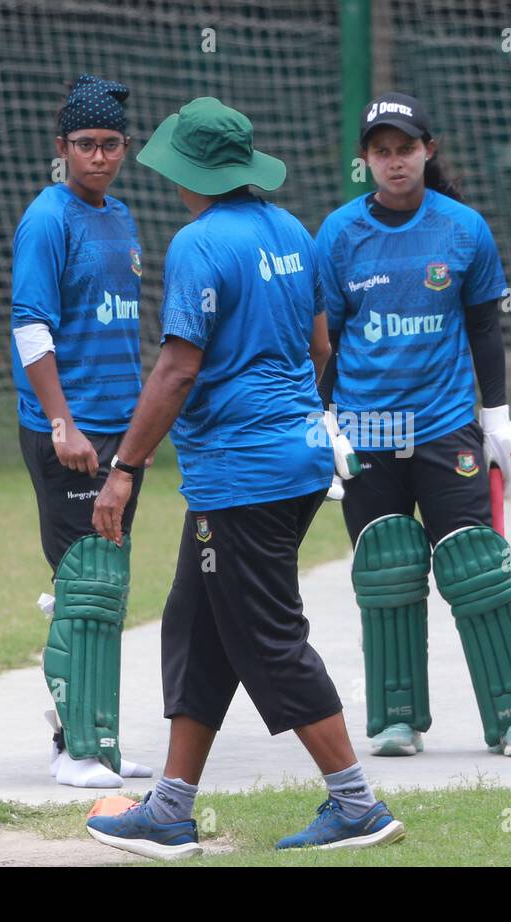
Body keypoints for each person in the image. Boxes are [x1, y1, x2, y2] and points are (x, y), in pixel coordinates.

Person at [85, 97, 404, 859]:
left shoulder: (200, 244)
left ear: (189, 170)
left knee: (266, 638)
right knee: (197, 628)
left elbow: (176, 368)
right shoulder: (290, 230)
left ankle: (356, 803)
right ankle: (169, 808)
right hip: (295, 460)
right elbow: (320, 346)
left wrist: (124, 468)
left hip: (243, 476)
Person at [314, 92, 511, 759]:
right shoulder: (338, 234)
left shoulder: (464, 228)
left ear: (428, 151)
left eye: (405, 149)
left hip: (447, 428)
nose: (394, 163)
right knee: (387, 569)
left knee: (479, 570)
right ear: (366, 160)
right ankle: (396, 719)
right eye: (381, 152)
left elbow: (484, 329)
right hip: (367, 432)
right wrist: (324, 423)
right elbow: (326, 339)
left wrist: (496, 423)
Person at [11, 74, 154, 789]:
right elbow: (30, 328)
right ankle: (74, 749)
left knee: (108, 584)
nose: (99, 156)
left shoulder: (121, 216)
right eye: (86, 144)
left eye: (111, 144)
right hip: (69, 437)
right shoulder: (48, 218)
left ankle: (100, 735)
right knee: (86, 584)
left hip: (121, 438)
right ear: (61, 146)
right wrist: (64, 424)